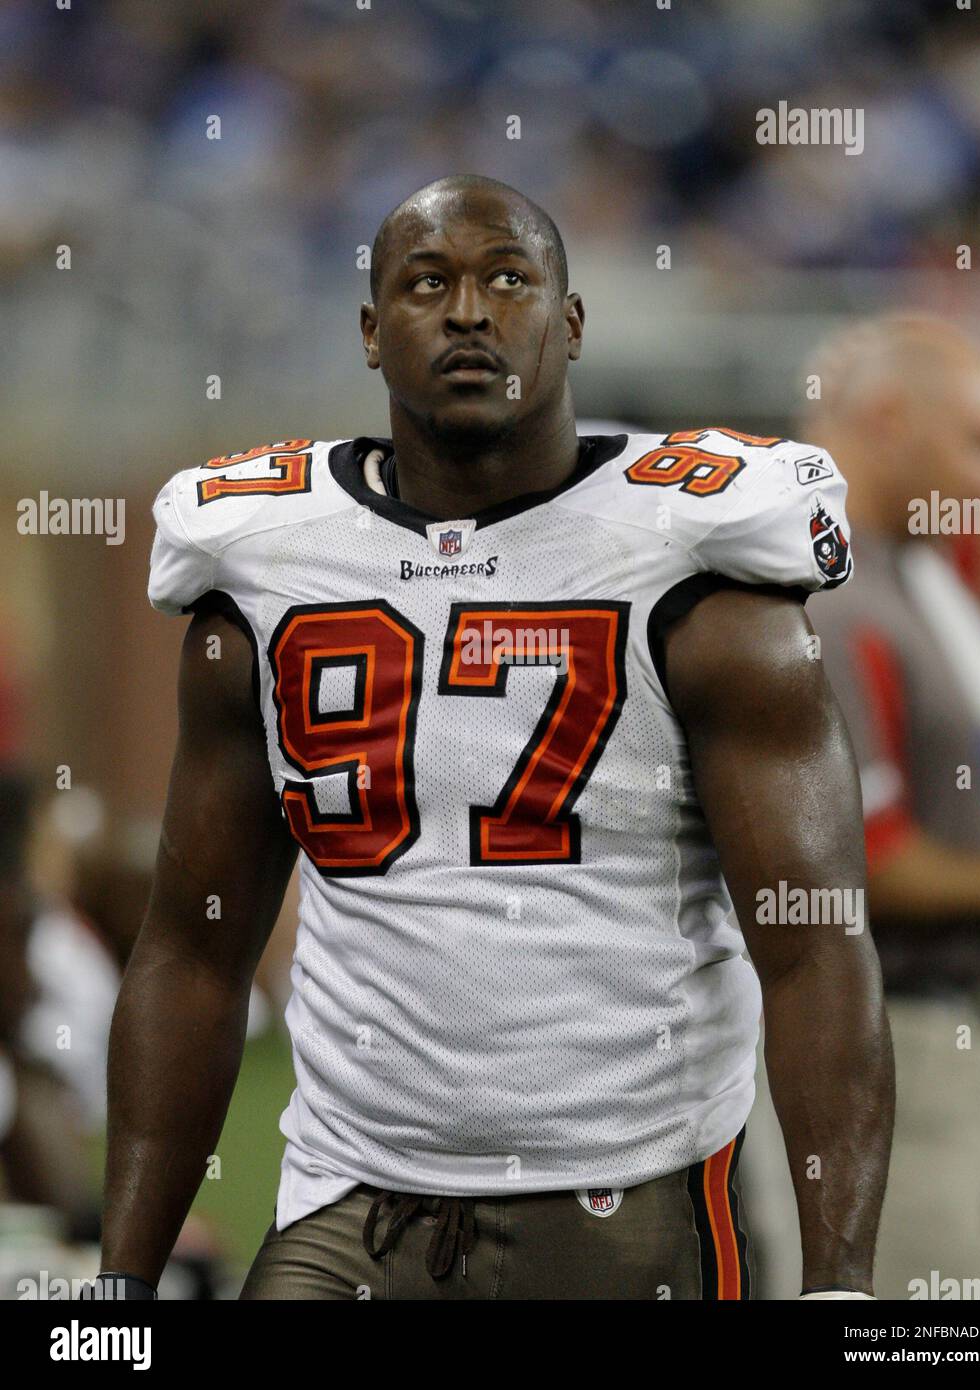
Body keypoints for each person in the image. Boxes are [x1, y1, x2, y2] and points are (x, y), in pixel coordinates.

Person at [93, 175, 892, 1301]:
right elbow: (191, 950)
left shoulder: (700, 577)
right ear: (372, 334)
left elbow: (814, 947)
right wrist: (118, 1288)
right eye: (427, 283)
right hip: (348, 1199)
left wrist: (841, 1286)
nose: (468, 310)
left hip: (627, 1194)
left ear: (569, 325)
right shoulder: (266, 572)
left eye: (507, 277)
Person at [749, 313, 980, 1300]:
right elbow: (872, 863)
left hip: (927, 1035)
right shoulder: (830, 588)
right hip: (885, 1045)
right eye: (979, 441)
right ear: (889, 418)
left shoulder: (898, 557)